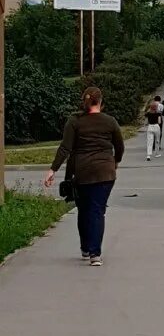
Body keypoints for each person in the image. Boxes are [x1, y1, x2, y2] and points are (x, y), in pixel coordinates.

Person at [44, 87, 125, 267]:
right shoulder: (110, 121)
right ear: (101, 102)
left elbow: (65, 148)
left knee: (84, 209)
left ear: (84, 101)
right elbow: (119, 147)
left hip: (83, 172)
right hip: (105, 172)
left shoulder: (75, 121)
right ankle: (95, 254)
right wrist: (115, 162)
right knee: (97, 210)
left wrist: (52, 170)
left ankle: (86, 248)